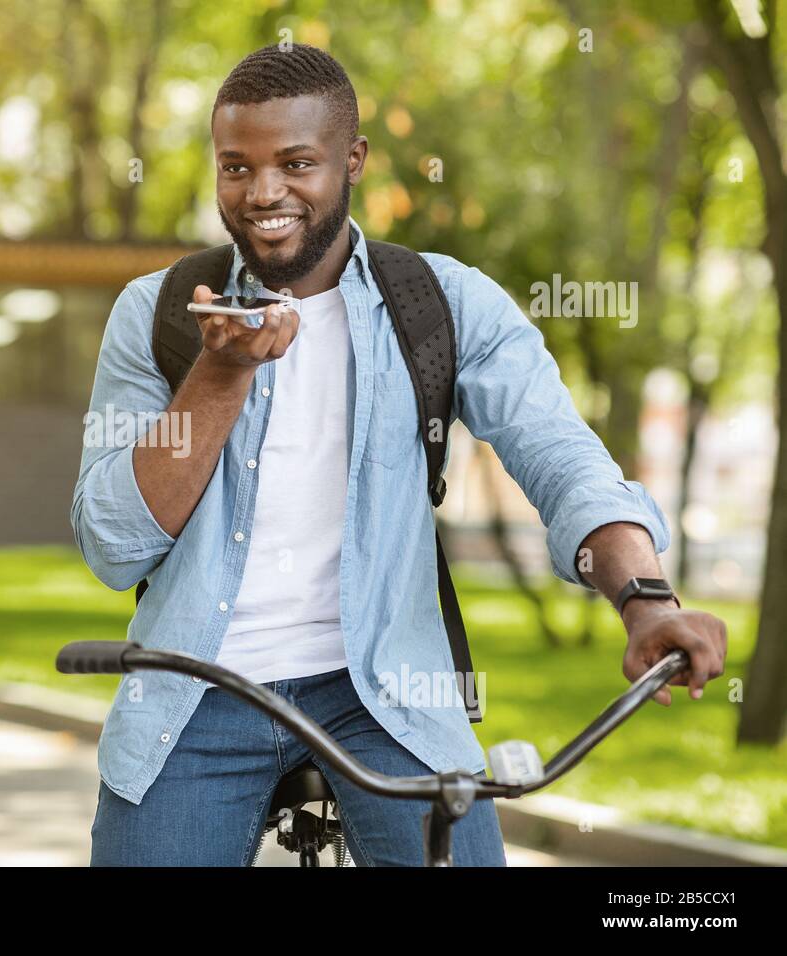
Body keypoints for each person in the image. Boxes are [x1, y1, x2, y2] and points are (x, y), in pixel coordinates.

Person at [70, 43, 728, 867]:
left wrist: (645, 598)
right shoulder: (160, 311)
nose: (263, 192)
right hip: (196, 693)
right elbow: (111, 544)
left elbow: (560, 455)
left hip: (386, 691)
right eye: (236, 167)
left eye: (296, 163)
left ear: (353, 162)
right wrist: (218, 374)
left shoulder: (442, 302)